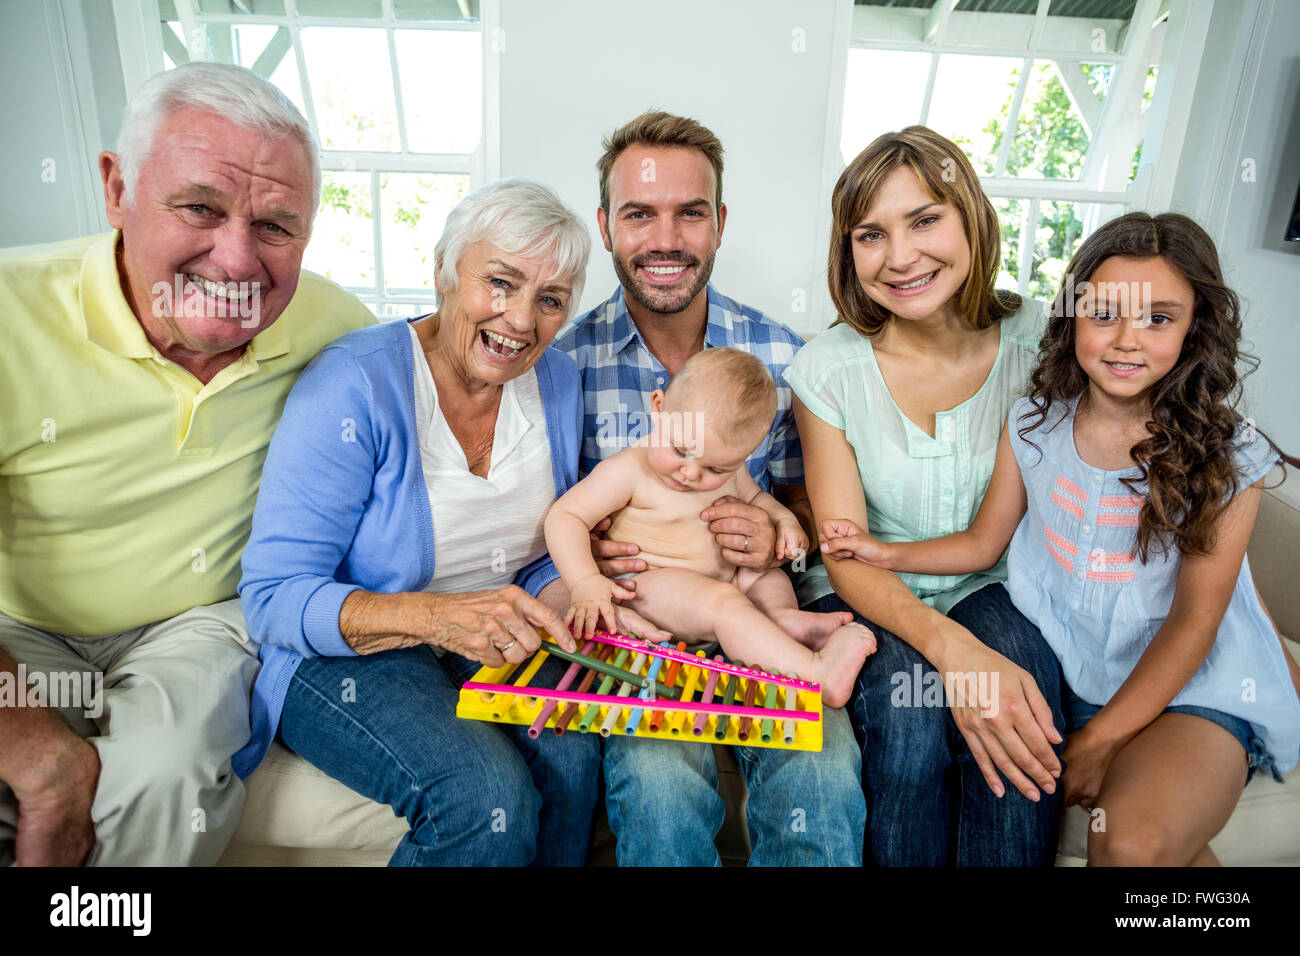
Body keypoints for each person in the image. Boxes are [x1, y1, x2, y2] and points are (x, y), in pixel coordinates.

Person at [821, 211, 1300, 865]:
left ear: (1195, 329)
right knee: (1159, 846)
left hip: (1190, 687)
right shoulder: (1035, 422)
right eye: (1104, 313)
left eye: (1159, 318)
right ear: (1072, 316)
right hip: (1078, 669)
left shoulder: (1230, 455)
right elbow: (983, 543)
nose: (1128, 340)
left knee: (1129, 845)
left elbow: (1195, 621)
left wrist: (1100, 739)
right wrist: (886, 552)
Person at [0, 62, 374, 866]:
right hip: (16, 619)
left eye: (276, 227)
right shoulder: (9, 308)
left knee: (165, 774)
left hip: (199, 619)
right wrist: (42, 759)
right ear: (115, 188)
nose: (237, 262)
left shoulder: (338, 330)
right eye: (200, 207)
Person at [236, 178, 634, 866]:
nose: (519, 320)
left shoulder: (558, 382)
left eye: (550, 299)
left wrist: (569, 600)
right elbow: (272, 598)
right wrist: (435, 619)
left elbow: (540, 554)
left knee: (570, 753)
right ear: (445, 273)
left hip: (487, 635)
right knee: (484, 797)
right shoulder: (355, 383)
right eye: (500, 283)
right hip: (348, 654)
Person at [553, 110, 866, 866]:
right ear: (605, 225)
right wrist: (593, 564)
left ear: (719, 223)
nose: (665, 239)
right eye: (639, 214)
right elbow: (556, 516)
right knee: (659, 779)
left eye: (690, 213)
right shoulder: (560, 365)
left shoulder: (784, 359)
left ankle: (801, 652)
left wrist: (775, 532)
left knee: (820, 768)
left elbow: (805, 508)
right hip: (647, 629)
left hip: (745, 602)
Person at [786, 125, 1066, 865]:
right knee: (909, 731)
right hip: (866, 589)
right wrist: (953, 653)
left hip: (993, 580)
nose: (900, 257)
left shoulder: (1042, 340)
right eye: (870, 234)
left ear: (971, 216)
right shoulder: (827, 369)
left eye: (925, 219)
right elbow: (845, 555)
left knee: (1022, 700)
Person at [546, 347, 874, 704]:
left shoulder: (728, 469)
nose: (691, 474)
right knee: (725, 600)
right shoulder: (628, 471)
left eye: (715, 470)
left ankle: (780, 620)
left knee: (766, 576)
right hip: (649, 593)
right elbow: (565, 516)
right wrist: (586, 582)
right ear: (659, 407)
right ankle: (818, 673)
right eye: (681, 451)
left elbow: (758, 499)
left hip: (722, 585)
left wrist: (784, 520)